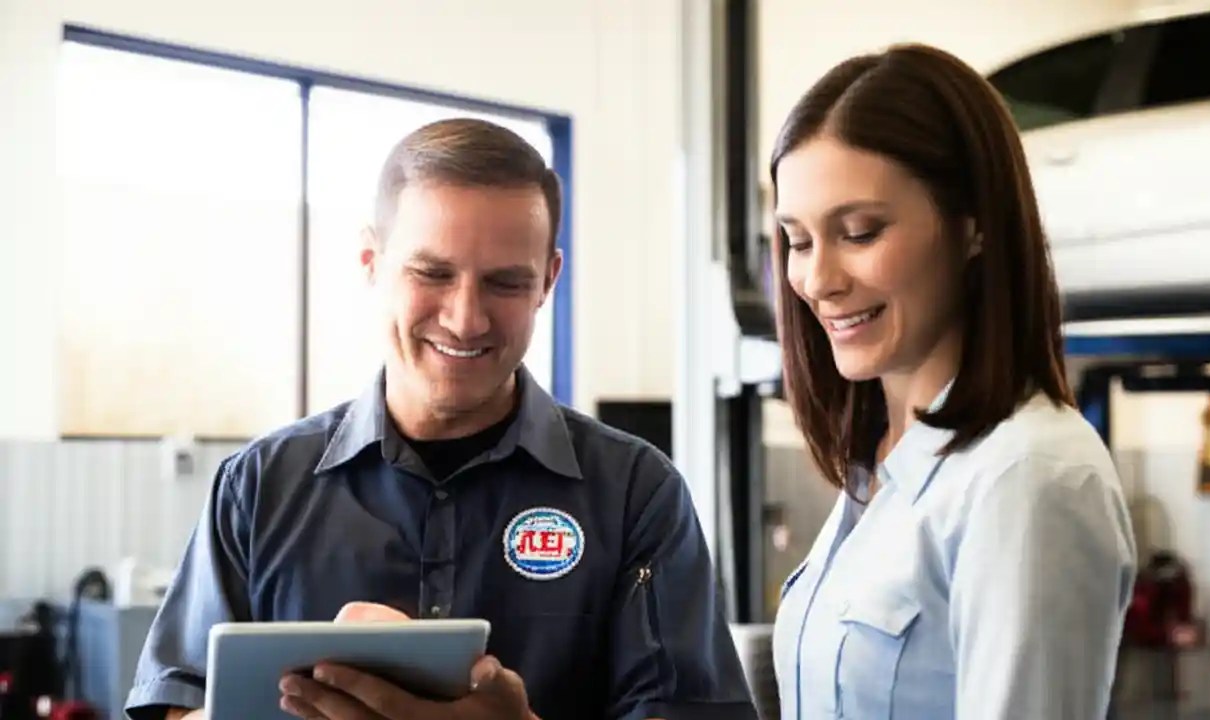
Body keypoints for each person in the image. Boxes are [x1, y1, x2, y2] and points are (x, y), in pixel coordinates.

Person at [124, 118, 757, 720]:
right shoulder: (259, 488)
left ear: (548, 281)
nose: (465, 319)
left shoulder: (634, 496)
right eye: (432, 273)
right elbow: (176, 702)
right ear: (371, 264)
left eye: (505, 284)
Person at [767, 44, 1137, 719]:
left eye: (859, 231)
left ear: (975, 227)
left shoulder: (1028, 477)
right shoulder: (875, 471)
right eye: (797, 240)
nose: (817, 280)